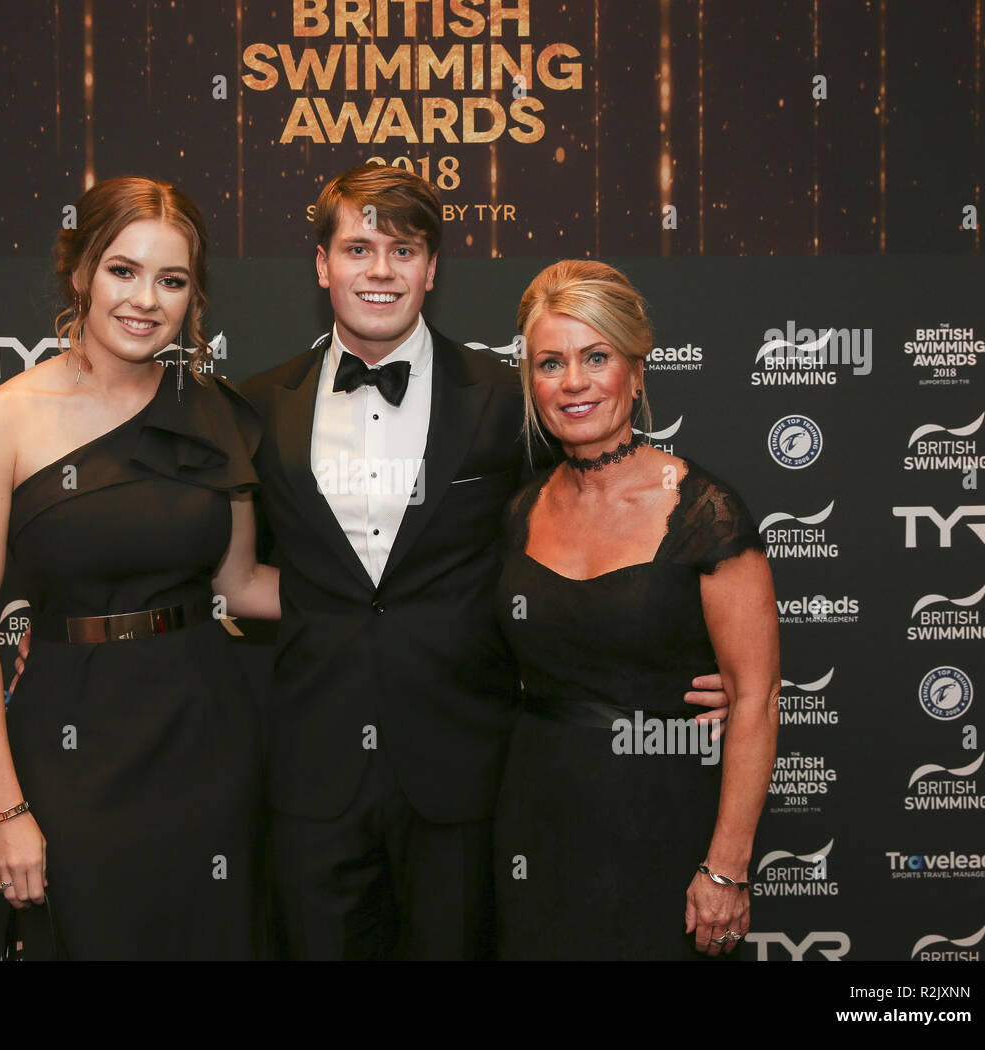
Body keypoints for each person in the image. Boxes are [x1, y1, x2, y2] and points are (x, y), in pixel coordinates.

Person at [238, 165, 733, 960]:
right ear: (322, 264)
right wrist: (82, 619)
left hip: (467, 775)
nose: (380, 271)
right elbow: (205, 554)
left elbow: (604, 535)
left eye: (403, 251)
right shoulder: (257, 405)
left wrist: (691, 666)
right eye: (358, 248)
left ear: (431, 270)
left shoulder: (513, 400)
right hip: (312, 776)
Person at [0, 176, 279, 960]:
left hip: (206, 738)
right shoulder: (3, 419)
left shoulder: (214, 412)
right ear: (80, 272)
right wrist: (2, 808)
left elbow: (241, 585)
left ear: (194, 295)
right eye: (124, 270)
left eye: (172, 279)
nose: (146, 299)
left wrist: (387, 601)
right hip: (70, 743)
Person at [492, 259, 780, 960]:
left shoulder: (703, 511)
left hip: (661, 815)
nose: (574, 383)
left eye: (597, 357)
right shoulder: (522, 510)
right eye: (550, 362)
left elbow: (756, 698)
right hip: (537, 815)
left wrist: (726, 869)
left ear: (637, 370)